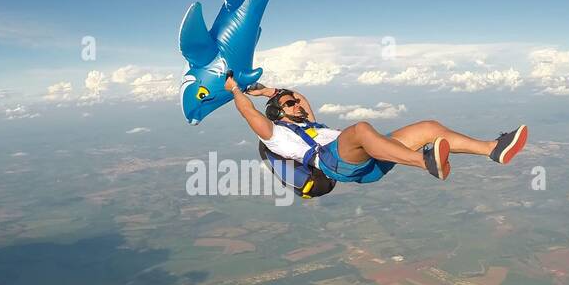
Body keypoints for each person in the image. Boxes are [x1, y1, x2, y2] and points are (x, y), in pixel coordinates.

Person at [224, 75, 528, 187]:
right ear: (278, 114)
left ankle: (492, 148)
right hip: (335, 163)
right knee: (360, 129)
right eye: (289, 104)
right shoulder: (276, 134)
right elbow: (248, 113)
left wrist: (271, 91)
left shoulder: (308, 123)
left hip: (370, 162)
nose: (297, 104)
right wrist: (236, 89)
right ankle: (426, 162)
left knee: (429, 127)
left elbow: (299, 94)